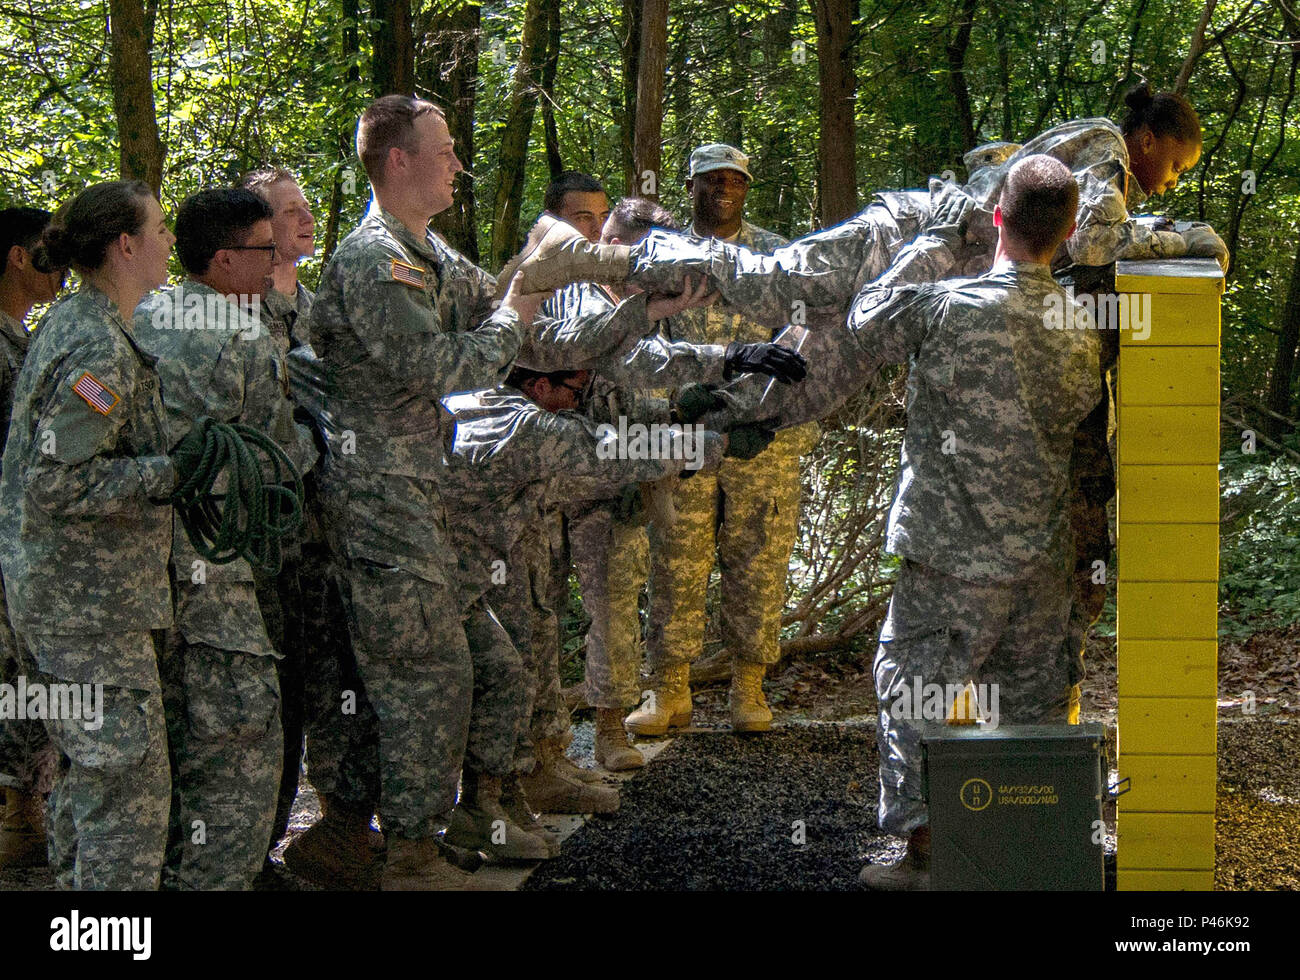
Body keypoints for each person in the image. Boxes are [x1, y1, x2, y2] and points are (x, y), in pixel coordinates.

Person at [840, 155, 1102, 890]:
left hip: (951, 561)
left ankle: (927, 855)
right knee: (1031, 706)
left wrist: (931, 239)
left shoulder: (949, 306)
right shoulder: (1081, 327)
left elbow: (868, 317)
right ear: (1071, 230)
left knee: (914, 694)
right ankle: (1026, 855)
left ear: (995, 218)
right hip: (1039, 563)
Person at [307, 94, 544, 890]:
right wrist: (517, 312)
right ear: (398, 161)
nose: (458, 162)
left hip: (426, 504)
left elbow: (509, 309)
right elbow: (444, 367)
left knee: (494, 665)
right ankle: (408, 848)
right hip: (378, 505)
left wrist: (594, 287)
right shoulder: (374, 261)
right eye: (443, 151)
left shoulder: (430, 252)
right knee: (426, 675)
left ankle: (482, 811)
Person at [438, 365, 734, 853]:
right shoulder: (526, 428)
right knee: (480, 685)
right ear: (539, 387)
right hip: (439, 586)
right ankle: (436, 833)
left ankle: (498, 800)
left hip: (459, 578)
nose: (581, 401)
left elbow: (588, 470)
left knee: (512, 670)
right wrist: (713, 446)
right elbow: (609, 450)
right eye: (575, 391)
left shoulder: (486, 402)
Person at [0, 181, 185, 889]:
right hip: (87, 612)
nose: (170, 242)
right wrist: (169, 472)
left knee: (88, 779)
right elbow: (60, 482)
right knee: (127, 798)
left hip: (62, 607)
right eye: (160, 230)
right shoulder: (97, 344)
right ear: (126, 245)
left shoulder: (76, 322)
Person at [134, 187, 315, 890]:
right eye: (264, 251)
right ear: (222, 258)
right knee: (241, 736)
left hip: (140, 566)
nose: (275, 264)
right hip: (214, 560)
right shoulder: (235, 330)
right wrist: (319, 442)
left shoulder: (143, 313)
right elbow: (276, 455)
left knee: (168, 735)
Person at [627, 143, 819, 736]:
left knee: (759, 557)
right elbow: (637, 342)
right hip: (686, 432)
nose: (725, 189)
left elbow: (804, 337)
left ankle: (749, 685)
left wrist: (779, 416)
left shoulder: (777, 256)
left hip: (762, 440)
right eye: (713, 180)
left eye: (736, 179)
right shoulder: (664, 252)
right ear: (691, 187)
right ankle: (669, 688)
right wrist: (670, 405)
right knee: (677, 559)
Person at [0, 206, 63, 869]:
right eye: (47, 251)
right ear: (19, 257)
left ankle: (26, 817)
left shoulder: (24, 339)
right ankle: (18, 818)